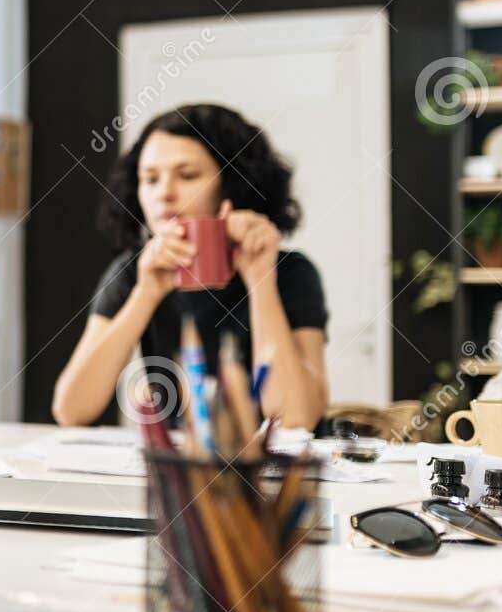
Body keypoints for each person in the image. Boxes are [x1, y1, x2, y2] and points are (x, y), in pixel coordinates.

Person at [52, 103, 329, 430]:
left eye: (187, 176)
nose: (164, 194)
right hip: (186, 472)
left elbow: (295, 418)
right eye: (150, 179)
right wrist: (147, 293)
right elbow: (72, 410)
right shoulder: (133, 271)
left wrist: (260, 280)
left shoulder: (292, 273)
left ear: (231, 184)